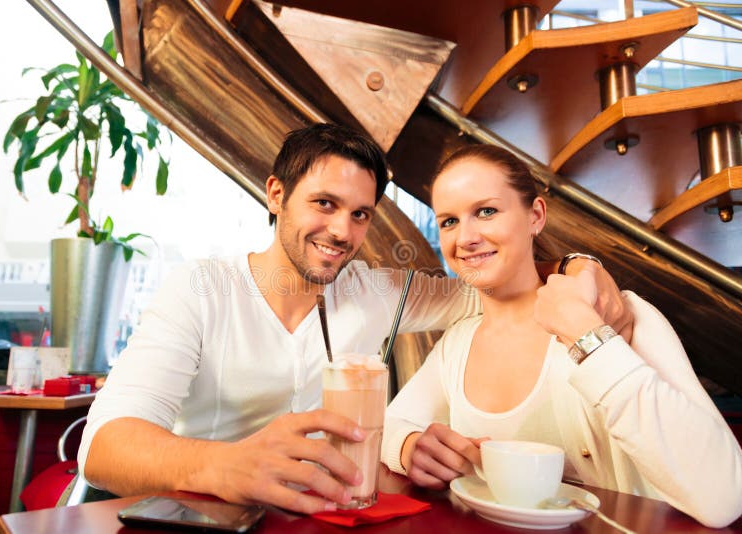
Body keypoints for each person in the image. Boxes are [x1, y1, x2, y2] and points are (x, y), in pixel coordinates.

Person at [78, 123, 631, 515]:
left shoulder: (376, 291)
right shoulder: (200, 291)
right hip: (194, 514)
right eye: (324, 203)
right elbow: (103, 446)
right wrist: (226, 466)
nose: (342, 232)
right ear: (276, 195)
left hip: (316, 516)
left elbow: (492, 284)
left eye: (360, 214)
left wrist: (576, 264)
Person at [380, 144, 742, 528]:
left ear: (535, 216)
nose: (465, 237)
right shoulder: (457, 342)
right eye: (449, 221)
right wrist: (409, 448)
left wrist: (590, 341)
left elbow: (725, 495)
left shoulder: (618, 315)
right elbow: (392, 425)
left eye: (486, 211)